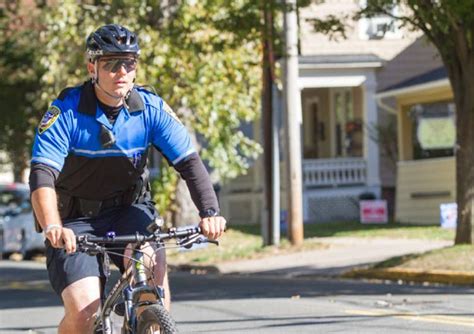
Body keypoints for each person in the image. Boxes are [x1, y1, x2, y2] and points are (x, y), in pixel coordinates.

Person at [29, 24, 226, 334]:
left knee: (152, 284)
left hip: (130, 211)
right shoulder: (66, 111)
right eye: (111, 64)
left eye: (129, 63)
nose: (121, 71)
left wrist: (210, 212)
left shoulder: (150, 108)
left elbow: (189, 163)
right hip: (76, 220)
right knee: (84, 312)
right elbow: (42, 175)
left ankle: (147, 322)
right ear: (92, 67)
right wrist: (53, 225)